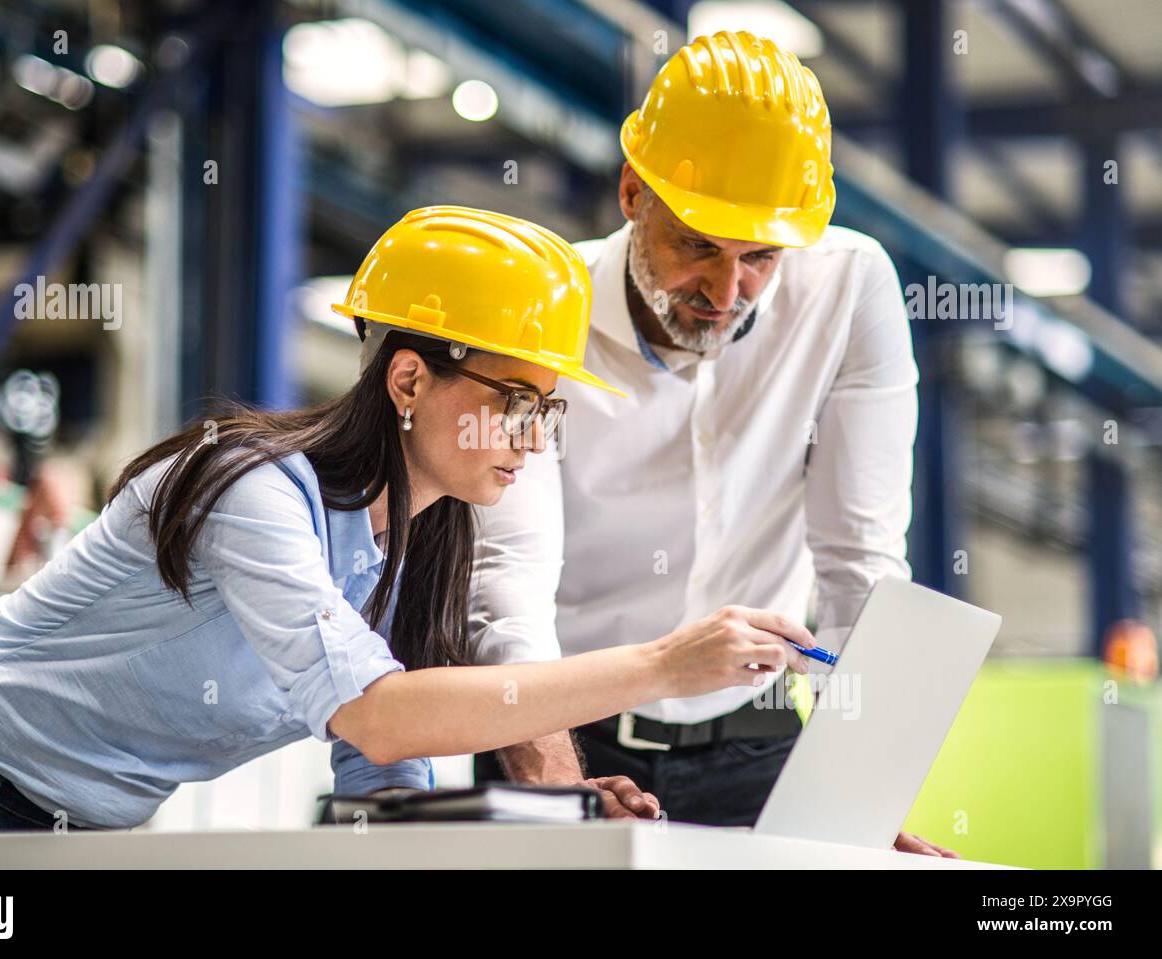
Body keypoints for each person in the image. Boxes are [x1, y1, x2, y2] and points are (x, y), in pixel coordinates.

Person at [0, 206, 816, 869]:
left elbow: (385, 780)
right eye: (515, 402)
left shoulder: (411, 558)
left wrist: (552, 814)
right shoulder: (253, 489)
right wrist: (658, 665)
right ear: (408, 383)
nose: (533, 439)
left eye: (549, 410)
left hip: (52, 828)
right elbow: (378, 713)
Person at [350, 34, 955, 856]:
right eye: (697, 244)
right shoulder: (542, 318)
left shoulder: (849, 293)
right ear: (633, 192)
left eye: (760, 258)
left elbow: (862, 560)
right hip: (562, 720)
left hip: (760, 735)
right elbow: (506, 584)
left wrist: (862, 791)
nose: (724, 291)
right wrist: (553, 779)